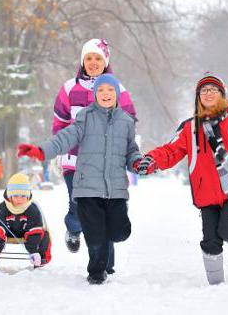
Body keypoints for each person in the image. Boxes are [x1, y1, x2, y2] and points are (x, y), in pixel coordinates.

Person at [136, 73, 228, 285]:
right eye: (204, 90)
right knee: (210, 243)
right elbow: (171, 151)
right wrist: (151, 160)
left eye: (213, 90)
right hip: (205, 194)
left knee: (227, 231)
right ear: (198, 97)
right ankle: (216, 289)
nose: (208, 94)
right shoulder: (189, 128)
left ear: (222, 95)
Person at [19, 74, 140, 284]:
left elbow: (131, 151)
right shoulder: (85, 117)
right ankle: (96, 274)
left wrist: (138, 162)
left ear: (117, 94)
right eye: (101, 90)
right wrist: (41, 151)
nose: (105, 94)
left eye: (110, 90)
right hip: (87, 187)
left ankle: (105, 251)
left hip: (115, 189)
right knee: (95, 236)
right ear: (94, 95)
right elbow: (65, 138)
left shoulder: (126, 122)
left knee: (120, 232)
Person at [51, 38, 136, 274]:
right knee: (79, 208)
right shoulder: (70, 88)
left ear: (105, 61)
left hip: (106, 165)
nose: (93, 62)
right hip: (75, 162)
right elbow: (60, 122)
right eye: (88, 58)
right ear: (82, 61)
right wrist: (59, 151)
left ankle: (105, 264)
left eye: (98, 58)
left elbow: (128, 121)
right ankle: (73, 227)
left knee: (105, 211)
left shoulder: (118, 88)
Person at [0, 173, 51, 269]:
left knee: (44, 234)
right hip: (5, 234)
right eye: (16, 196)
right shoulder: (2, 208)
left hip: (27, 234)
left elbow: (35, 230)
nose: (19, 199)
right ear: (9, 196)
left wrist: (33, 251)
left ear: (28, 196)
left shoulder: (33, 209)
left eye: (23, 196)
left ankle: (40, 258)